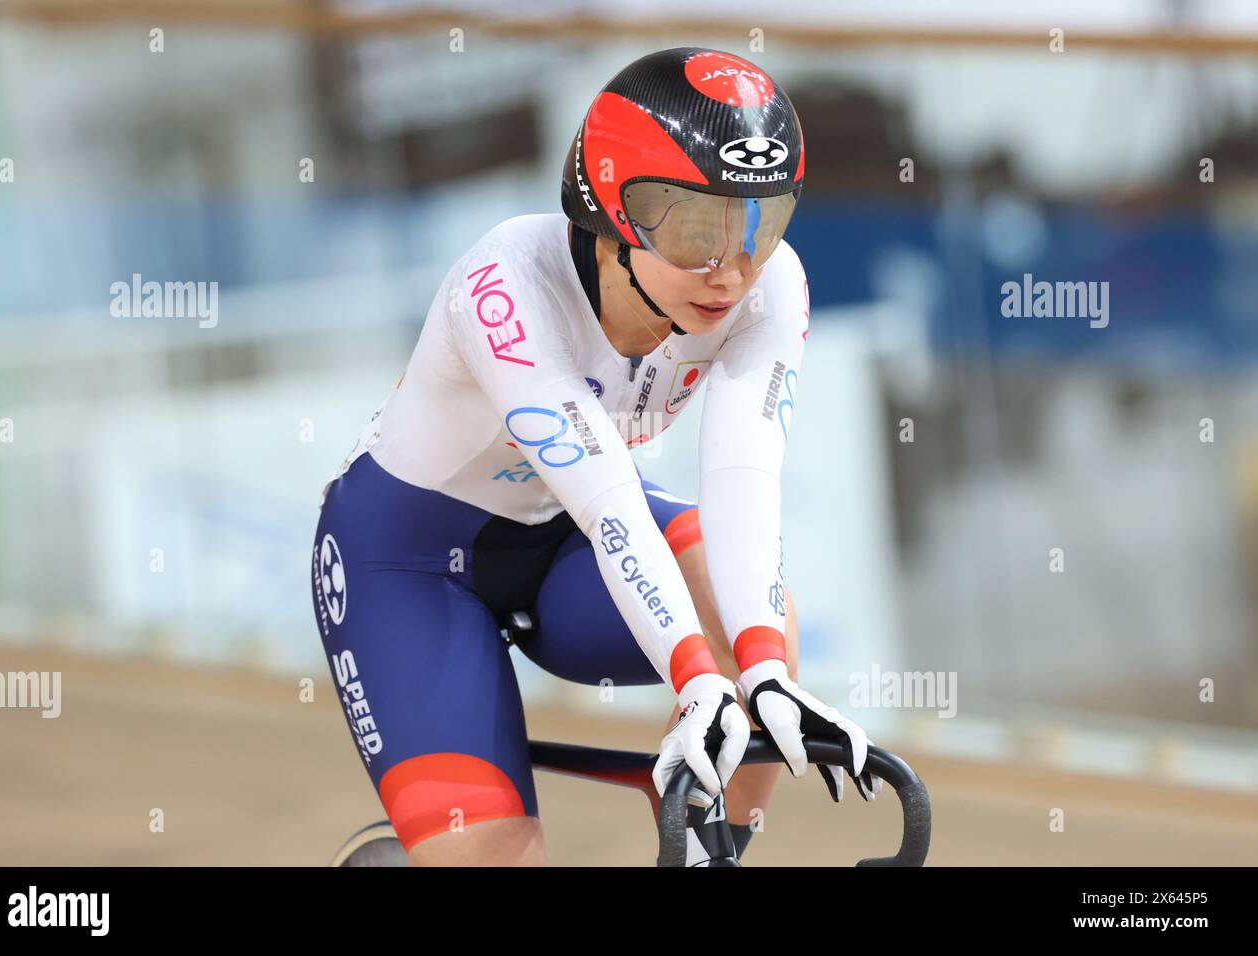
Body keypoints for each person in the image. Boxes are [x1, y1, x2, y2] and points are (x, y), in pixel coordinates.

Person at [310, 46, 878, 867]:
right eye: (698, 231)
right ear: (615, 218)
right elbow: (608, 499)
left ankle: (712, 850)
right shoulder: (506, 284)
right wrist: (696, 682)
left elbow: (744, 479)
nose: (734, 269)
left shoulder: (767, 285)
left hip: (561, 544)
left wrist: (760, 673)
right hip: (404, 567)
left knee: (761, 629)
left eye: (765, 220)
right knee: (496, 855)